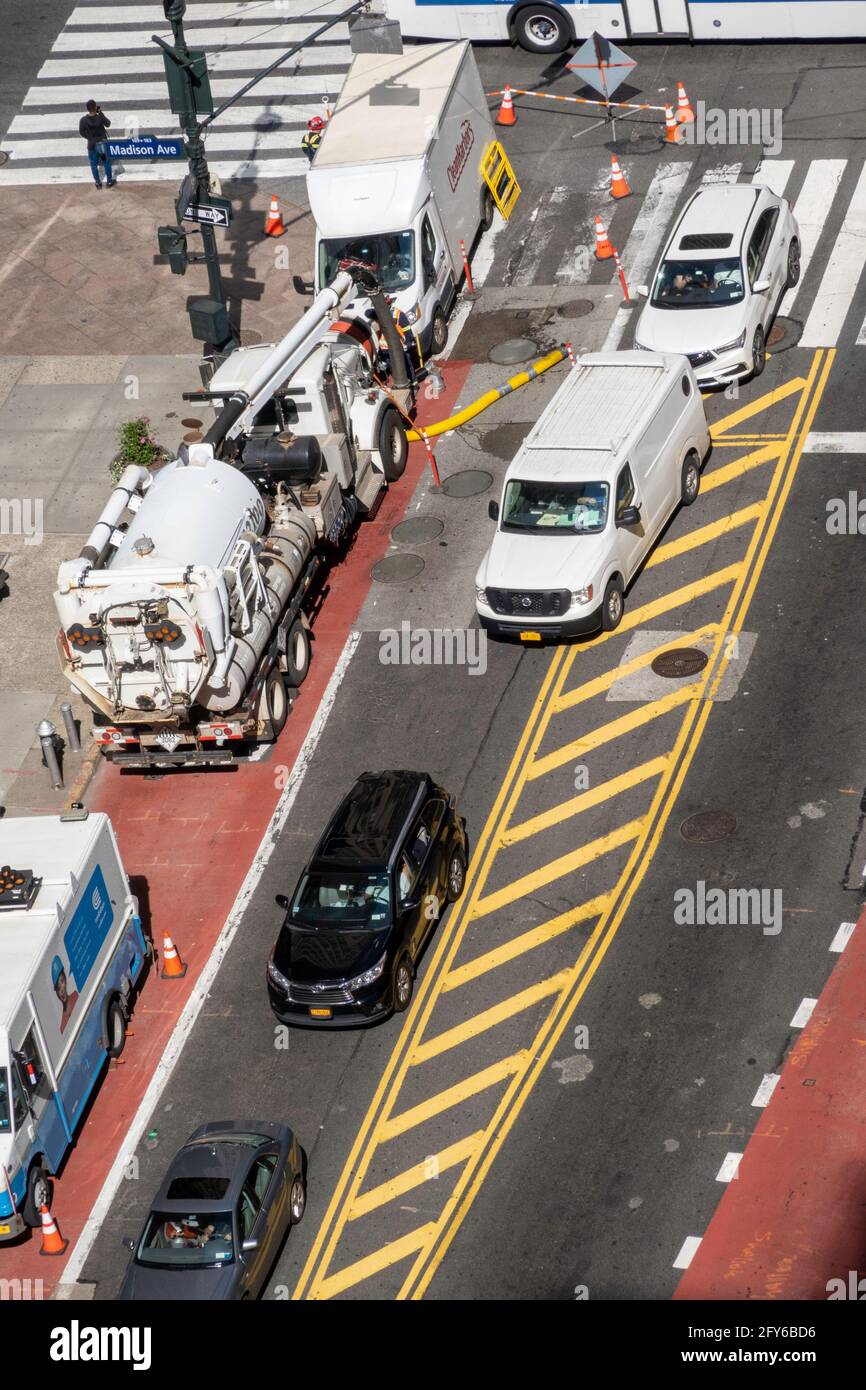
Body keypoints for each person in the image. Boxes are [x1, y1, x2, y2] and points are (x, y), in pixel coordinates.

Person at [79, 100, 114, 189]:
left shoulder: (83, 120)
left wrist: (89, 138)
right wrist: (100, 112)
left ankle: (98, 183)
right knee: (106, 162)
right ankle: (109, 181)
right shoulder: (100, 118)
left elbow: (81, 132)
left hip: (91, 145)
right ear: (95, 107)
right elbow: (108, 124)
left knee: (93, 164)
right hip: (102, 145)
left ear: (87, 109)